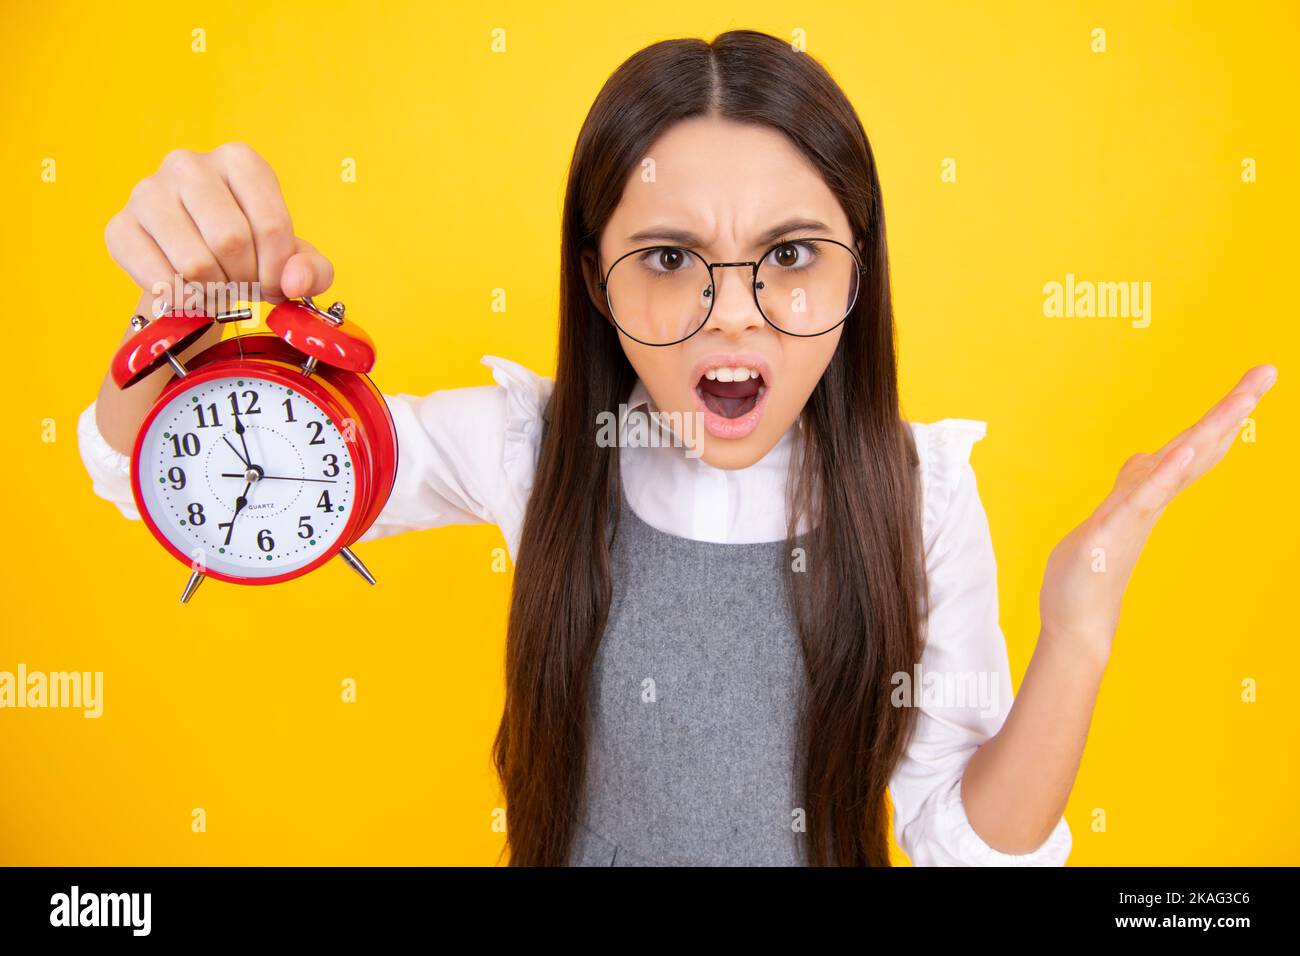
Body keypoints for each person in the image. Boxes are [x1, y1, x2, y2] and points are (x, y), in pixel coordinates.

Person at [77, 29, 1276, 866]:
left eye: (793, 253)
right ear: (594, 282)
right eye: (666, 259)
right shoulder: (528, 444)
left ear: (861, 274)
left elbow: (966, 845)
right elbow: (171, 480)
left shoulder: (919, 497)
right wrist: (184, 322)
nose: (734, 313)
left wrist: (1077, 623)